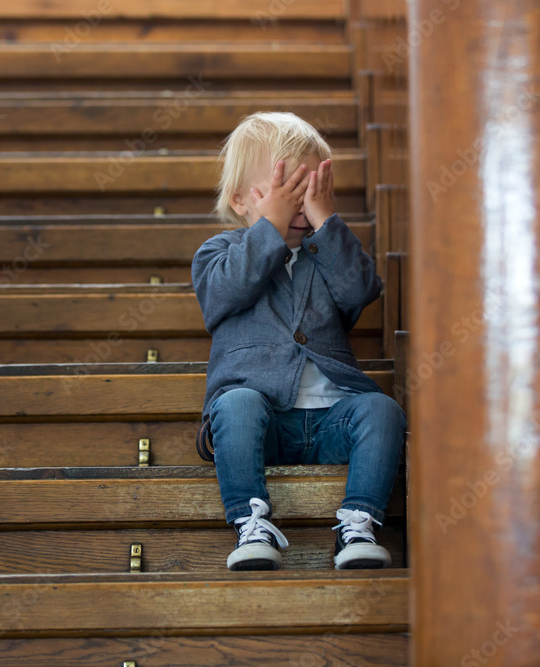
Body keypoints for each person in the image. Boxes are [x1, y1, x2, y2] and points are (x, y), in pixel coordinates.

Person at [191, 111, 406, 571]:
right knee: (235, 405)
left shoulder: (325, 255)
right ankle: (251, 524)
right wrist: (270, 228)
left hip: (332, 417)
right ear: (239, 198)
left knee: (383, 409)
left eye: (308, 194)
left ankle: (359, 523)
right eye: (286, 193)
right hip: (261, 422)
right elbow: (223, 293)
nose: (297, 208)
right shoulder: (218, 252)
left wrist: (326, 223)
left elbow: (359, 289)